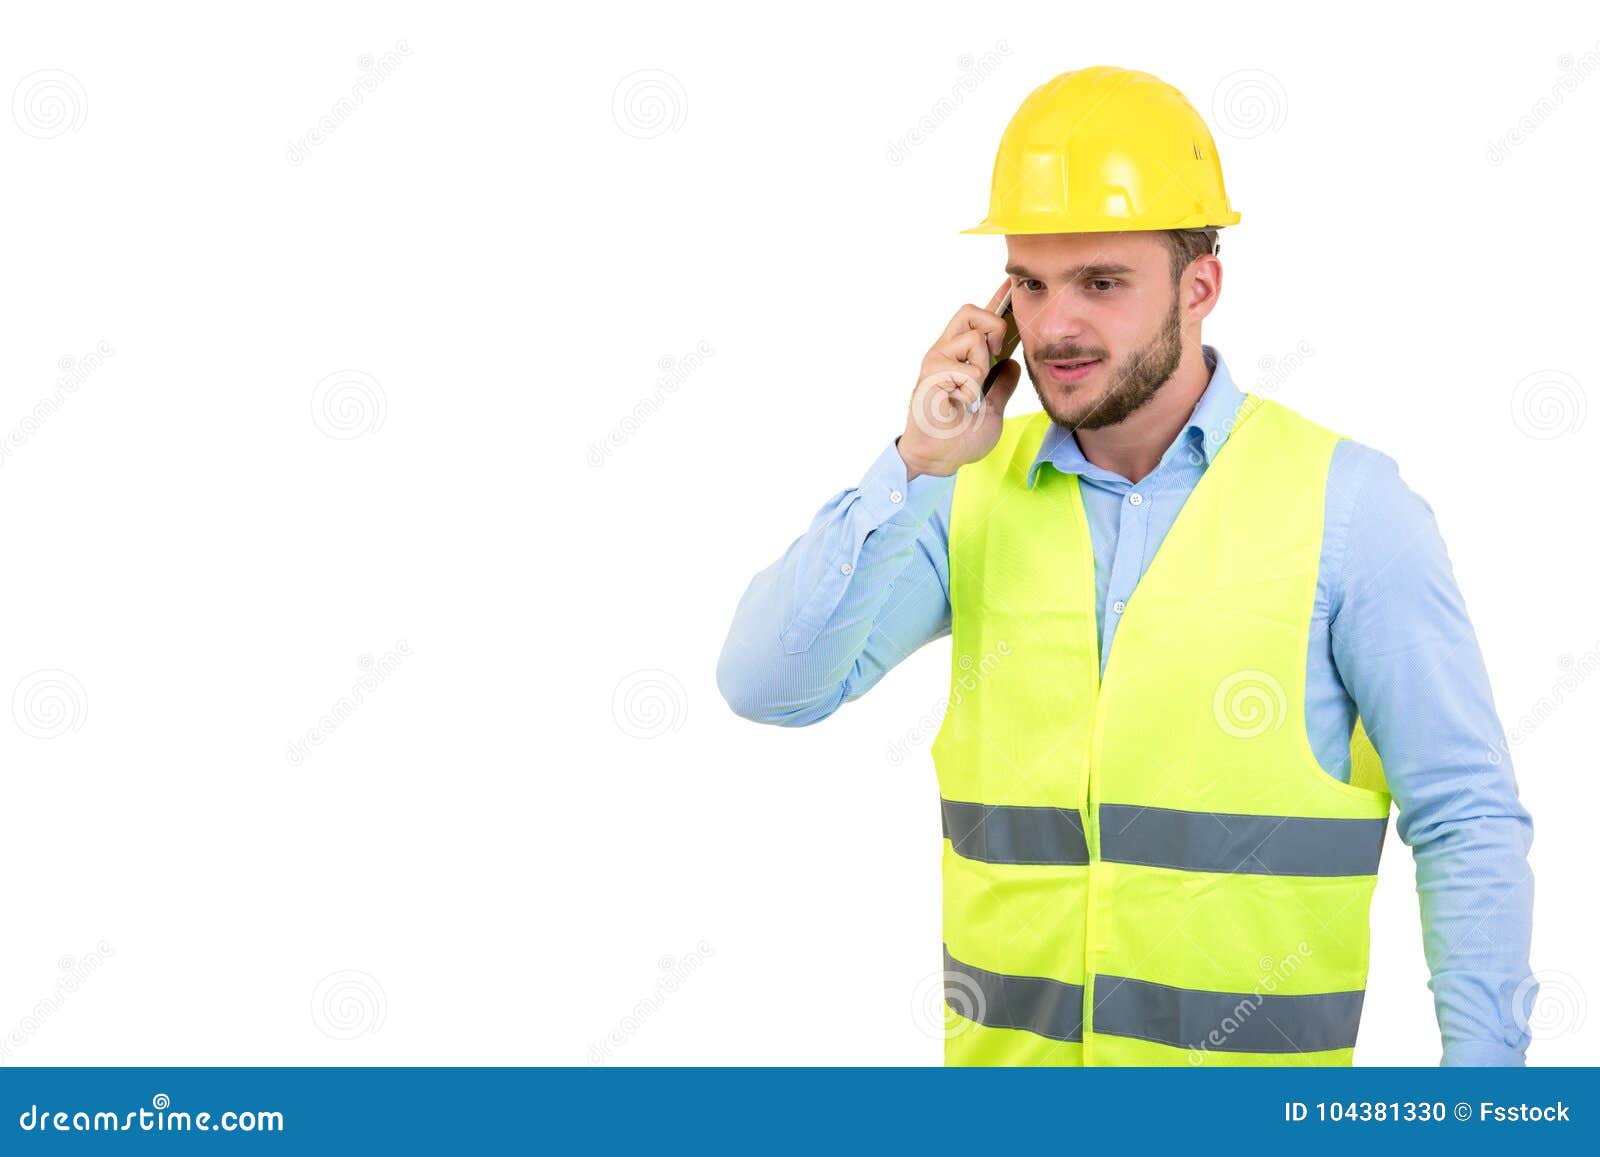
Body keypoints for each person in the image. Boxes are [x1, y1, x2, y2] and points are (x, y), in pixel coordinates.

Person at [716, 66, 1536, 1067]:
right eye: (1030, 283)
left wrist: (1480, 1100)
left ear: (1200, 286)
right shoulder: (964, 490)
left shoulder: (1351, 507)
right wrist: (913, 459)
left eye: (1100, 282)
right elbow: (767, 684)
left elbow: (1464, 815)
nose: (1056, 325)